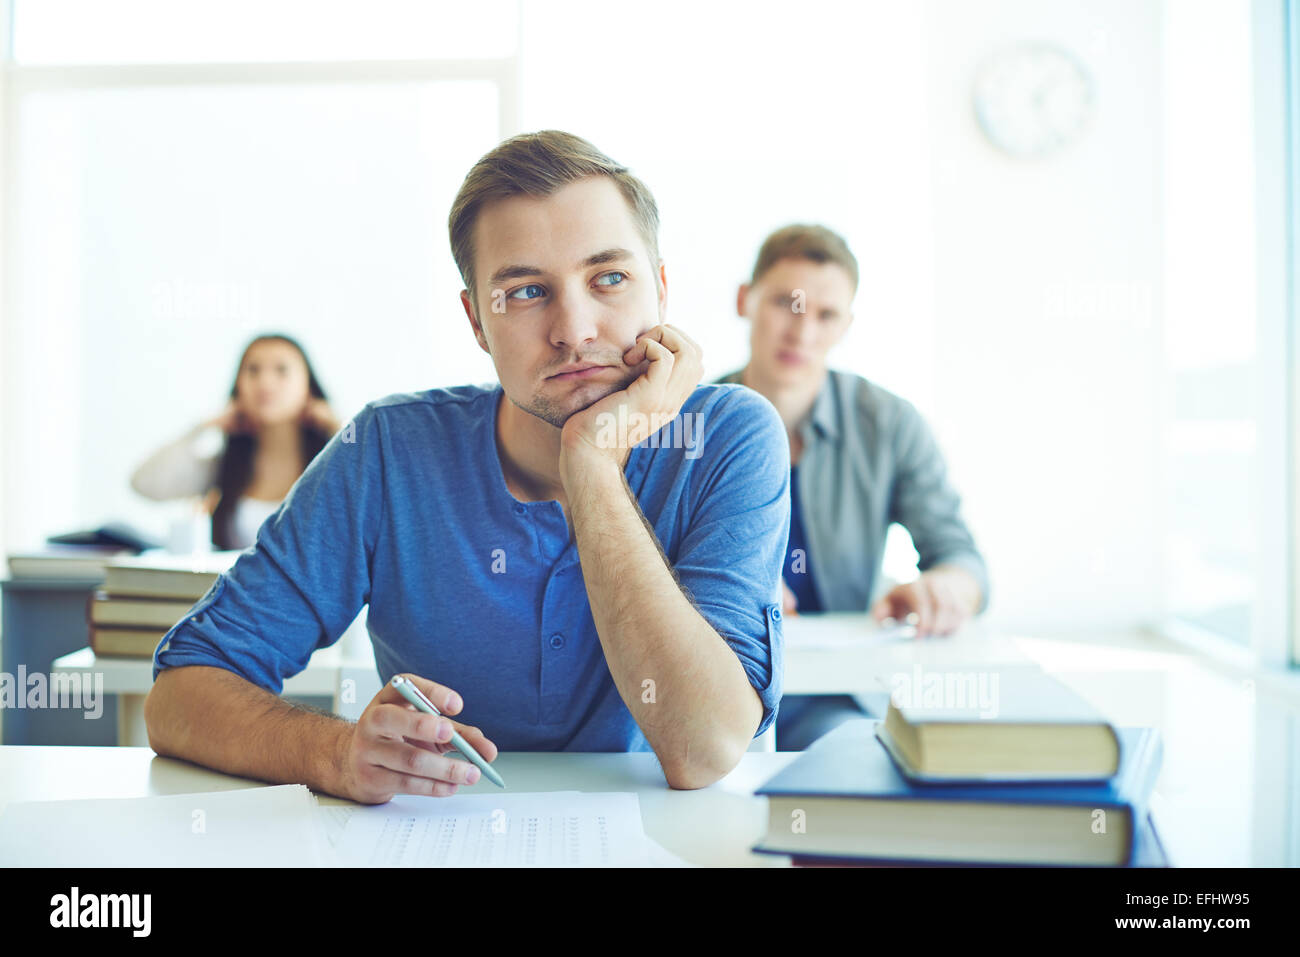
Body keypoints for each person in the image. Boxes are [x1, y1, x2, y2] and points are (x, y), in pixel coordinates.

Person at [144, 131, 790, 801]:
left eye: (609, 278)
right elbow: (178, 695)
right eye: (527, 291)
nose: (574, 328)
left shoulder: (729, 437)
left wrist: (592, 461)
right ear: (477, 321)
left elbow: (705, 747)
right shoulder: (389, 452)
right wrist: (334, 751)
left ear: (660, 288)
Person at [719, 224, 988, 751]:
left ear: (847, 325)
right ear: (744, 300)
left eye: (825, 315)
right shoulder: (686, 422)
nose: (802, 333)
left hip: (834, 698)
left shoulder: (889, 424)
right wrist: (731, 592)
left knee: (852, 757)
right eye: (785, 304)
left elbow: (962, 558)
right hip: (711, 689)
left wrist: (946, 590)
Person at [130, 334, 342, 550]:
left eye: (281, 370)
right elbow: (143, 484)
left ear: (309, 386)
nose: (265, 383)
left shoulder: (333, 465)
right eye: (253, 370)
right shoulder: (221, 468)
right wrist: (203, 427)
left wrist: (339, 427)